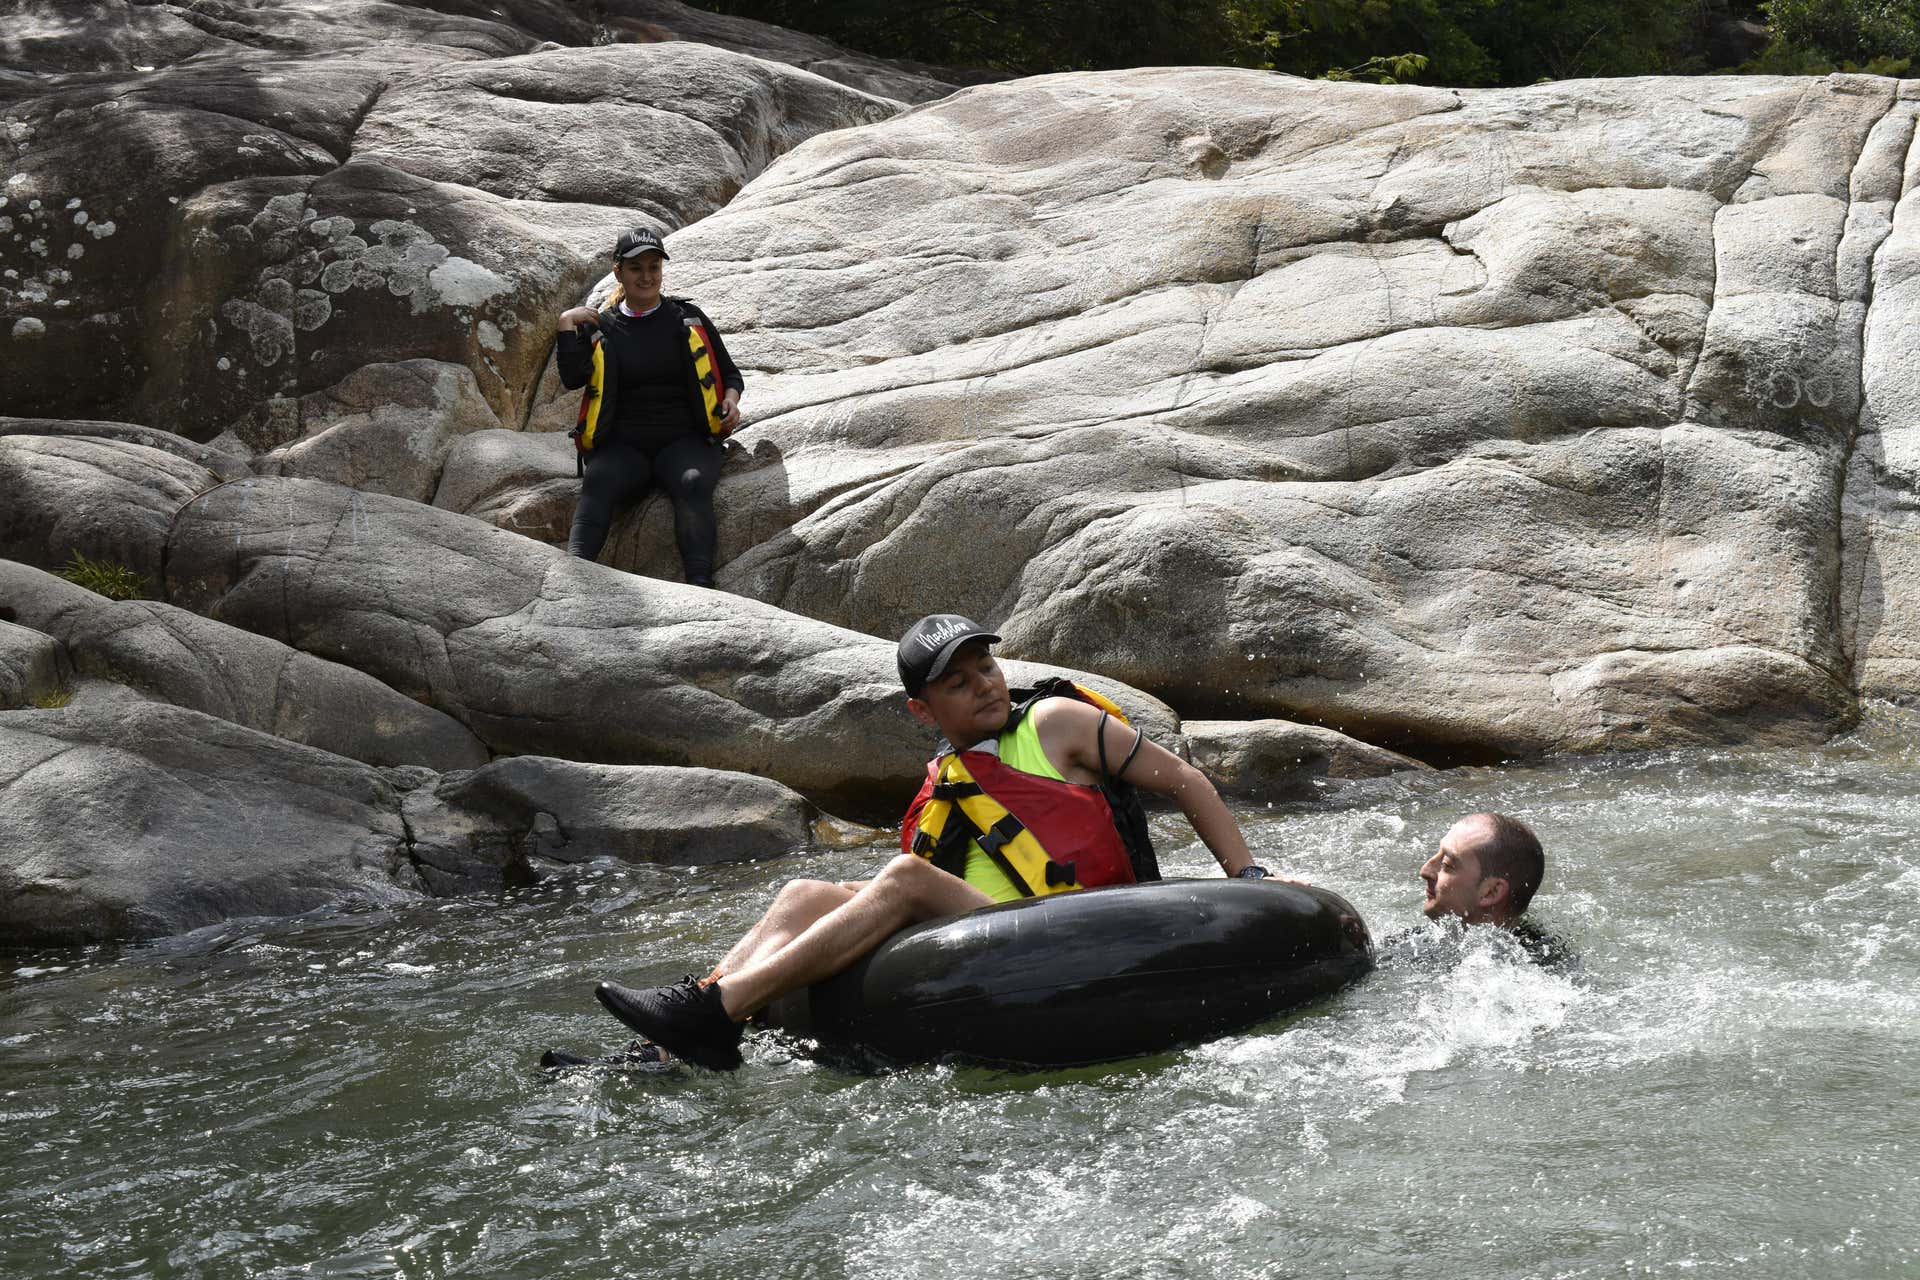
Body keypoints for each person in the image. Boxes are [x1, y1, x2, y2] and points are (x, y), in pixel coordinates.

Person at [587, 614, 1277, 1071]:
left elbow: (1185, 780)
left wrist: (1247, 877)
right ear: (922, 709)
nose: (984, 686)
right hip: (987, 932)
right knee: (803, 894)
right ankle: (666, 1044)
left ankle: (716, 1011)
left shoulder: (1058, 723)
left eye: (987, 669)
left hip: (1083, 927)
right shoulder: (943, 781)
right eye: (958, 682)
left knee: (904, 876)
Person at [554, 226, 744, 585]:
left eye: (653, 267)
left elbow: (731, 375)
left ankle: (701, 586)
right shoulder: (602, 325)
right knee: (599, 479)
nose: (646, 276)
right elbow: (573, 378)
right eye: (636, 268)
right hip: (625, 446)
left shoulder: (687, 317)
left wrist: (730, 403)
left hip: (684, 441)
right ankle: (572, 576)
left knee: (692, 484)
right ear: (618, 272)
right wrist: (566, 324)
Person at [1416, 811, 1544, 928]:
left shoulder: (1537, 952)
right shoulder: (1407, 943)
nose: (1425, 871)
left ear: (1491, 892)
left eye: (1446, 864)